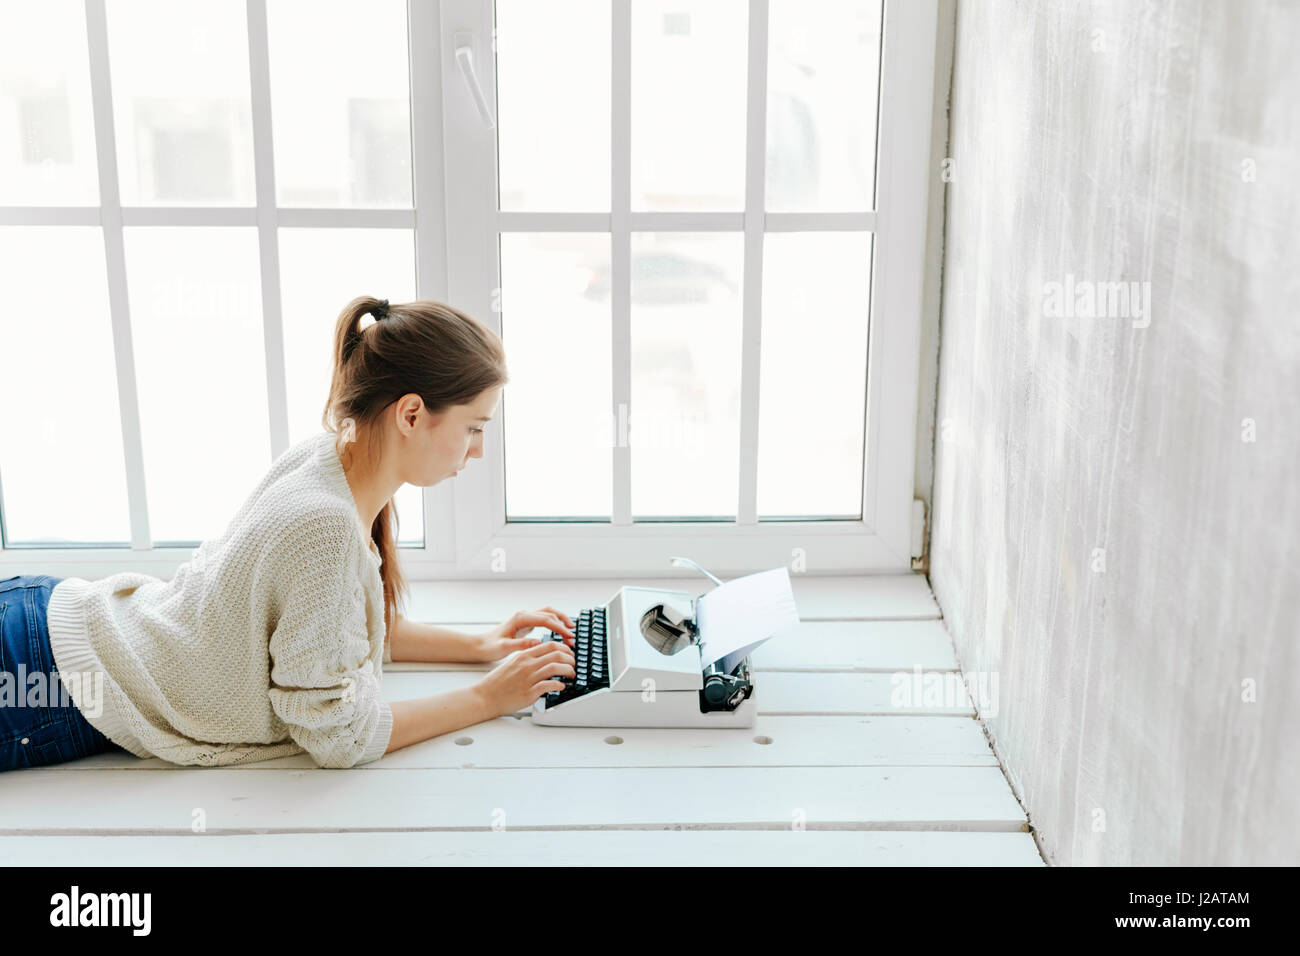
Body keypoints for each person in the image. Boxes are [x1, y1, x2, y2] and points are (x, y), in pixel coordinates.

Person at [1, 296, 576, 773]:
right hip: (43, 683)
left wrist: (478, 647)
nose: (477, 450)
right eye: (473, 427)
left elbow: (333, 629)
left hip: (51, 626)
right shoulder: (324, 526)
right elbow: (338, 734)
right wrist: (486, 699)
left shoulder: (331, 463)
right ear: (410, 414)